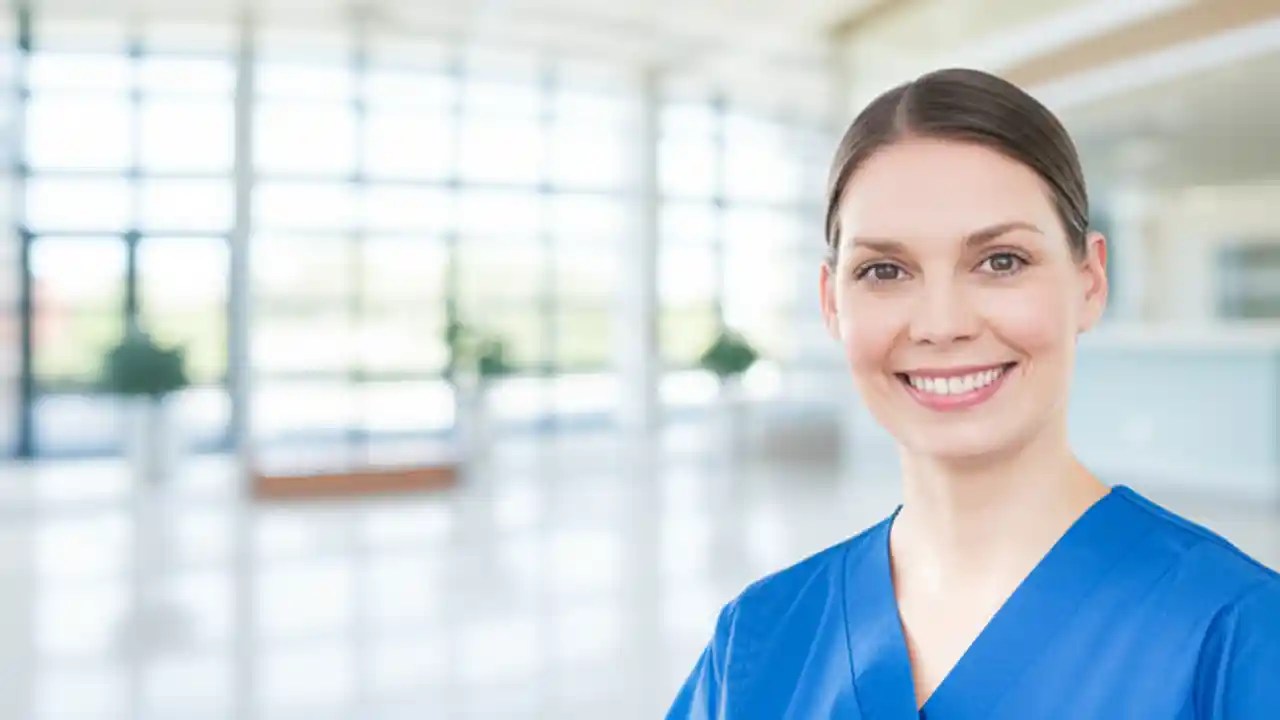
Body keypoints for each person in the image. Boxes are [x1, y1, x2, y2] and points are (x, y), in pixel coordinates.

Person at [666, 68, 1280, 719]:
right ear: (831, 304)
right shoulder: (756, 646)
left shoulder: (1236, 639)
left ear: (1090, 281)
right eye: (884, 270)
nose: (942, 324)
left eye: (1001, 261)